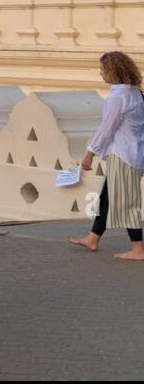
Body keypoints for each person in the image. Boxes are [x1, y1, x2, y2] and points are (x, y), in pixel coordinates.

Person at [69, 51, 144, 260]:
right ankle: (93, 238)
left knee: (127, 203)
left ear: (114, 70)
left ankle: (138, 250)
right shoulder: (135, 93)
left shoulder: (118, 96)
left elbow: (106, 129)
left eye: (103, 69)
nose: (100, 73)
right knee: (107, 198)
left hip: (123, 156)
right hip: (133, 154)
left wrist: (89, 154)